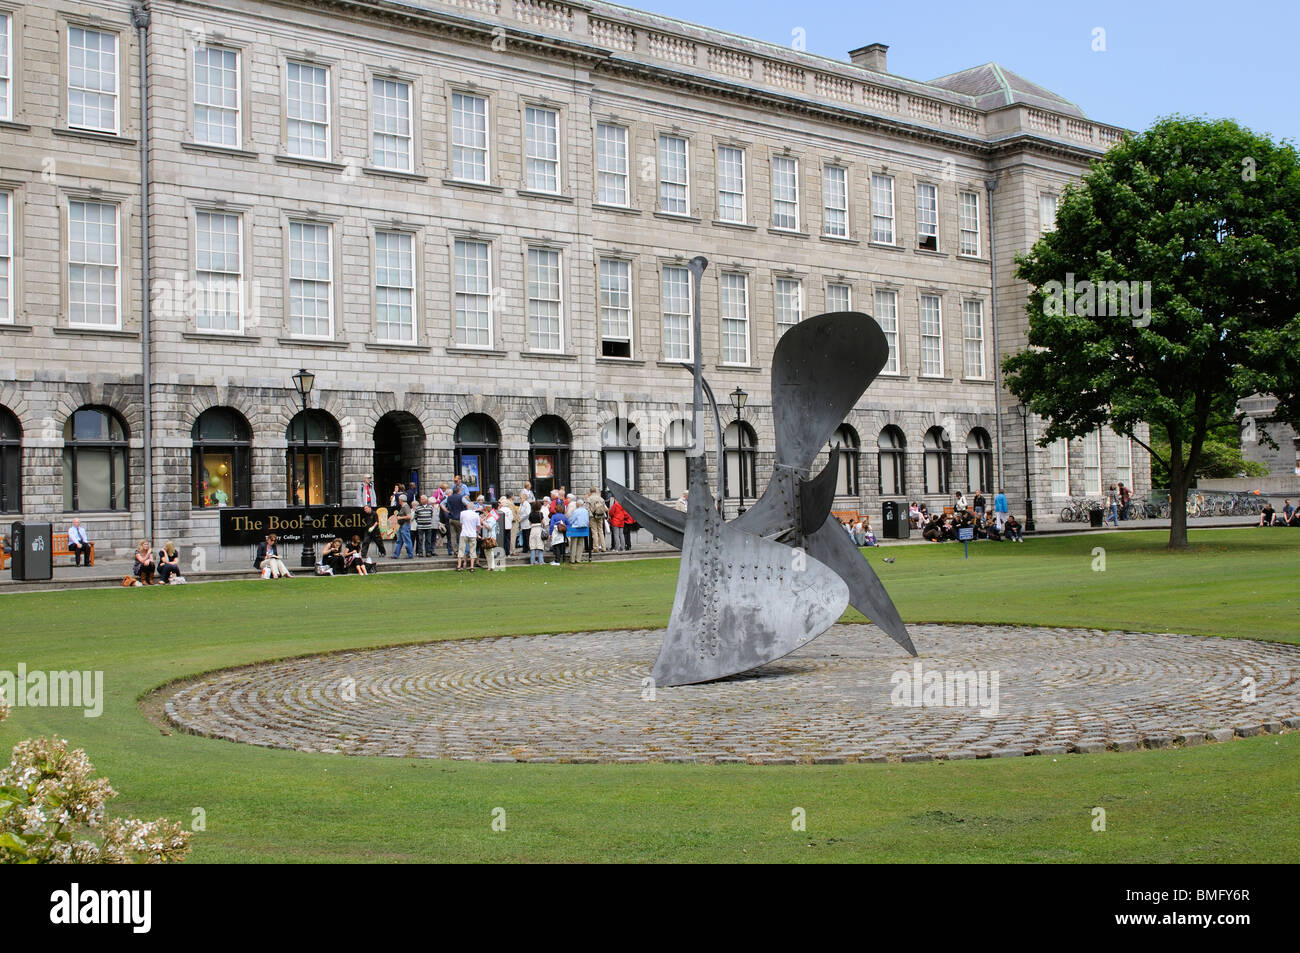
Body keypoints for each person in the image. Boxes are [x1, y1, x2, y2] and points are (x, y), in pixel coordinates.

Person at [457, 501, 480, 571]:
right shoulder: (476, 514)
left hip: (464, 533)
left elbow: (461, 523)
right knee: (472, 550)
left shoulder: (462, 513)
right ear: (473, 507)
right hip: (472, 533)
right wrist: (477, 533)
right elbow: (478, 526)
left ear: (467, 507)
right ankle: (472, 567)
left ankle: (459, 566)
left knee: (461, 549)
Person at [392, 494, 414, 559]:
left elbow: (409, 516)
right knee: (399, 540)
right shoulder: (403, 506)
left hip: (405, 525)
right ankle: (396, 555)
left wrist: (400, 517)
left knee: (407, 541)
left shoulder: (406, 507)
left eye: (399, 499)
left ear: (401, 500)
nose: (398, 500)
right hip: (402, 525)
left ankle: (410, 555)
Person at [587, 488, 608, 554]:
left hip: (592, 517)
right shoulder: (601, 499)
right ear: (595, 491)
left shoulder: (589, 499)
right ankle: (603, 547)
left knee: (594, 532)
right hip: (600, 516)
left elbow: (587, 508)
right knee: (601, 531)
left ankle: (596, 548)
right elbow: (605, 508)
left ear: (590, 492)